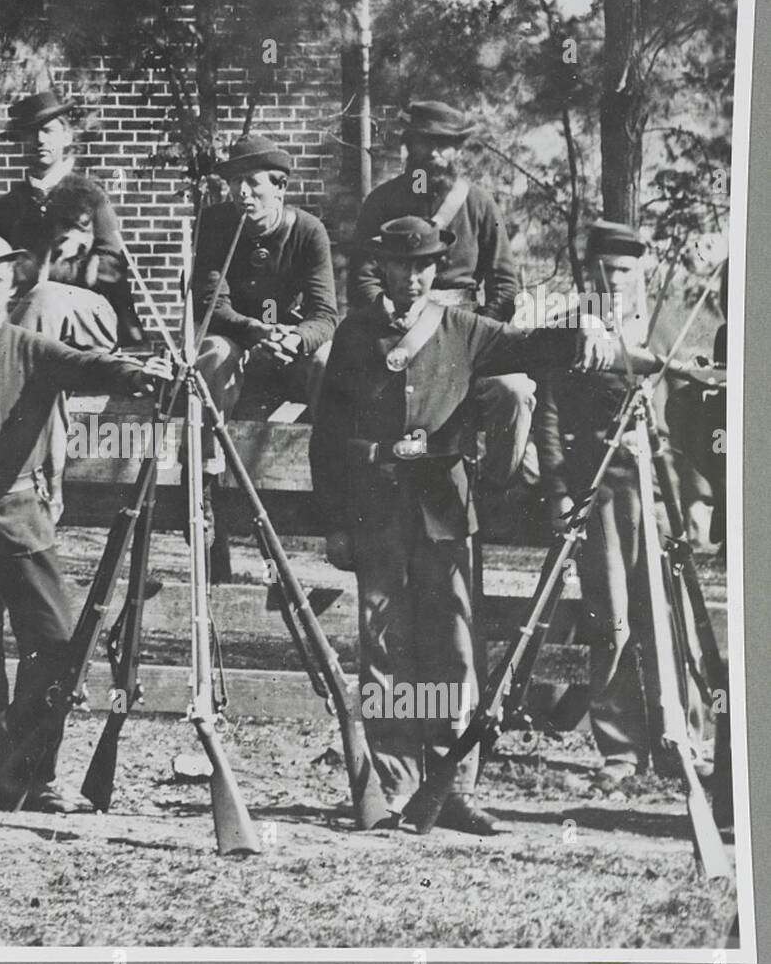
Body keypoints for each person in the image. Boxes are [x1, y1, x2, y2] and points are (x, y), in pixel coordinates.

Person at [310, 216, 641, 834]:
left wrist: (584, 324)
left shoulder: (461, 327)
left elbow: (528, 344)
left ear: (437, 270)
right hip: (376, 509)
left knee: (452, 651)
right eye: (402, 266)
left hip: (443, 509)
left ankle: (452, 785)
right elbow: (327, 437)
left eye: (426, 266)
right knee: (385, 649)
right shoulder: (355, 336)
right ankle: (394, 784)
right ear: (382, 268)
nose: (414, 278)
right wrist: (334, 523)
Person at [0, 233, 170, 813]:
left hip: (22, 521)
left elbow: (89, 365)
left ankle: (34, 771)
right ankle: (2, 778)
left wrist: (138, 373)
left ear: (9, 288)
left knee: (53, 642)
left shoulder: (31, 350)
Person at [534, 220, 708, 794]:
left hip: (657, 491)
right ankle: (619, 749)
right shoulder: (571, 328)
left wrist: (695, 492)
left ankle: (681, 739)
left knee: (670, 618)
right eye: (605, 270)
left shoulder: (669, 331)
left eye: (626, 271)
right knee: (611, 618)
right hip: (601, 489)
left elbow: (691, 415)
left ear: (641, 273)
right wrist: (559, 489)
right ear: (590, 273)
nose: (615, 280)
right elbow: (551, 414)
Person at [348, 100, 535, 499]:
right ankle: (363, 492)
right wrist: (384, 311)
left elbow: (504, 284)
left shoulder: (480, 204)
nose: (434, 153)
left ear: (459, 150)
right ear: (408, 144)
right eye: (424, 142)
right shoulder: (381, 203)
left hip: (464, 339)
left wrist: (476, 337)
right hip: (397, 337)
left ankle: (495, 490)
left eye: (445, 144)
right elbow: (362, 277)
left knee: (514, 391)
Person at [191, 133, 339, 578]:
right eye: (235, 183)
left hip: (286, 353)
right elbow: (211, 303)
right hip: (238, 347)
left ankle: (333, 488)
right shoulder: (216, 224)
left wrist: (294, 339)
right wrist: (254, 329)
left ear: (280, 187)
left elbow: (324, 314)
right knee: (212, 353)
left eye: (253, 184)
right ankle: (202, 486)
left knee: (327, 360)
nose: (242, 194)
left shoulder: (309, 232)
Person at [0, 89, 143, 346]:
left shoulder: (90, 197)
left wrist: (56, 272)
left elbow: (111, 269)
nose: (39, 140)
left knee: (44, 297)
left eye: (48, 131)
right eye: (30, 133)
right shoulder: (9, 206)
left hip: (89, 314)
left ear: (66, 136)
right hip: (30, 315)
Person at [8, 179, 123, 522]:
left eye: (79, 225)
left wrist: (84, 256)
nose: (71, 231)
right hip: (57, 339)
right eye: (63, 224)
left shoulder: (101, 231)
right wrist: (50, 256)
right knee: (44, 378)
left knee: (45, 298)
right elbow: (25, 285)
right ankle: (50, 488)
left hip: (100, 326)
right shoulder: (42, 245)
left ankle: (6, 381)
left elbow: (114, 280)